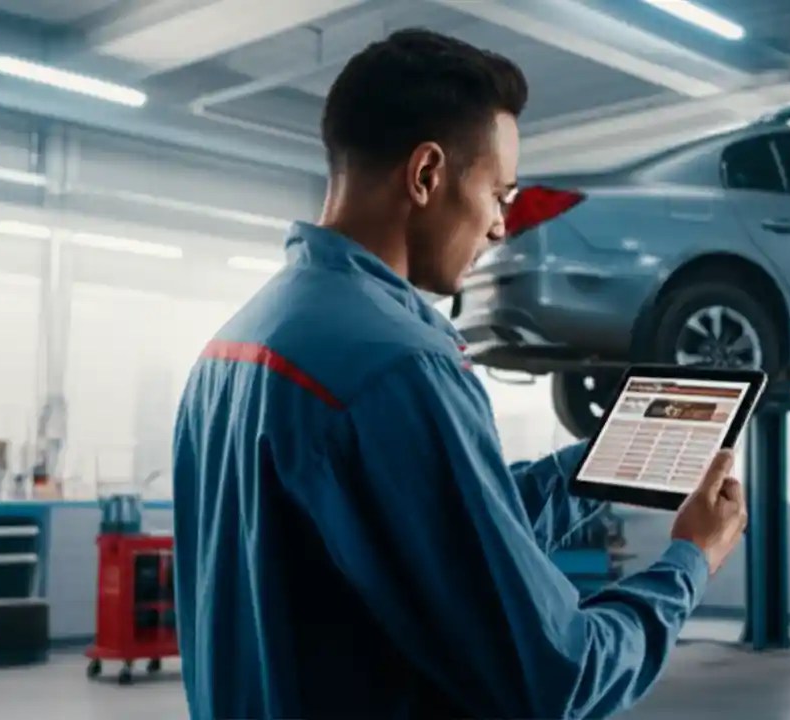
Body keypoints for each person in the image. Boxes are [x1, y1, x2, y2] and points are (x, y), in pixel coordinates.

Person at [170, 28, 749, 720]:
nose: (502, 227)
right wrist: (689, 560)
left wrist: (597, 465)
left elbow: (432, 539)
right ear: (425, 175)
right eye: (499, 195)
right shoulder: (399, 366)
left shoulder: (234, 349)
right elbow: (552, 677)